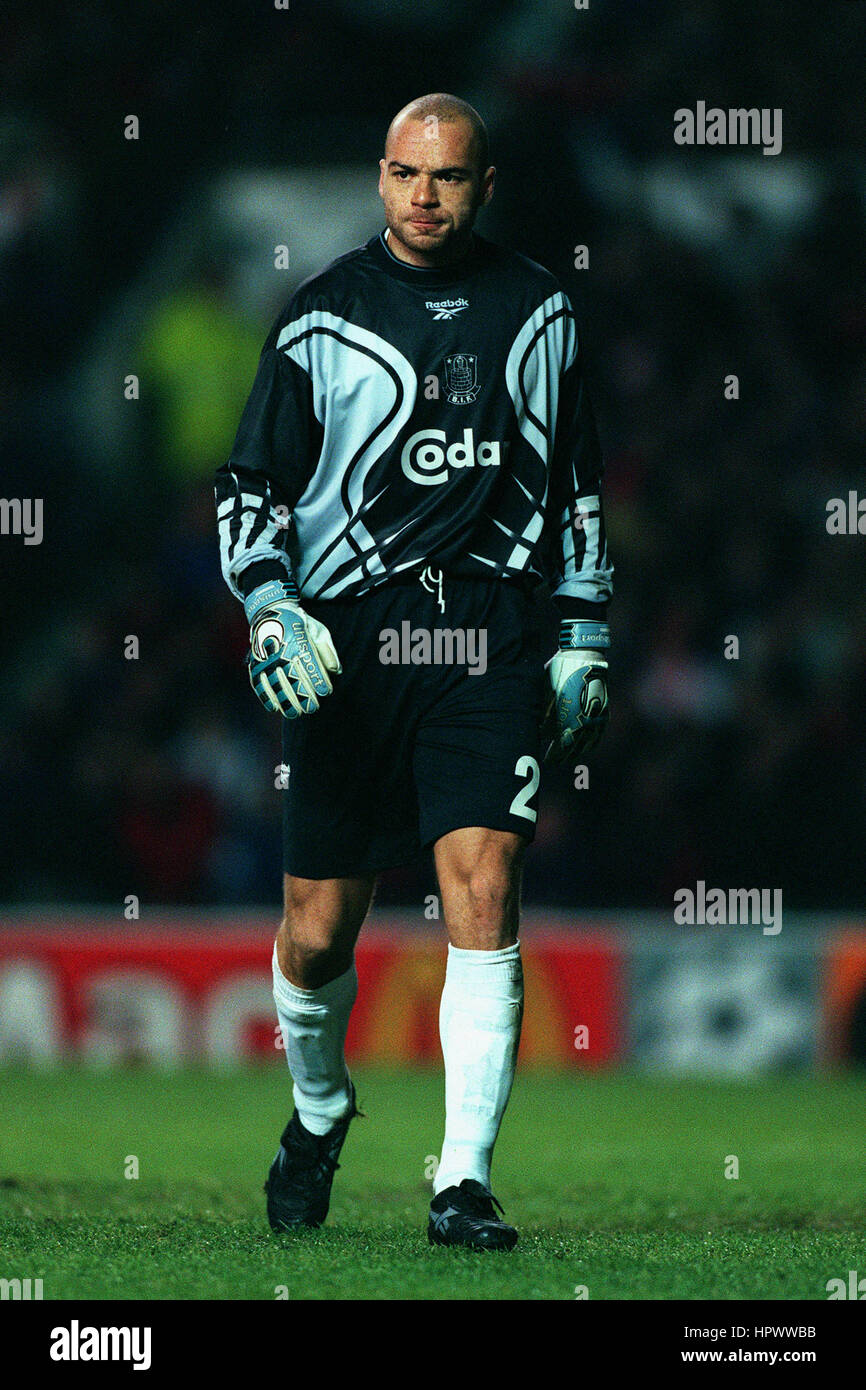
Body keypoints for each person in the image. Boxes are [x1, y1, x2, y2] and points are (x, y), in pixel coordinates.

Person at [214, 93, 613, 1251]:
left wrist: (582, 628)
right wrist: (270, 602)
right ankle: (319, 1109)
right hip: (350, 648)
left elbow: (576, 481)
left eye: (447, 177)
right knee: (319, 930)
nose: (424, 197)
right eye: (404, 174)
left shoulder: (541, 310)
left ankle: (462, 1183)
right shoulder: (318, 317)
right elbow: (252, 491)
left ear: (484, 185)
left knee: (481, 889)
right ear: (378, 177)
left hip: (486, 637)